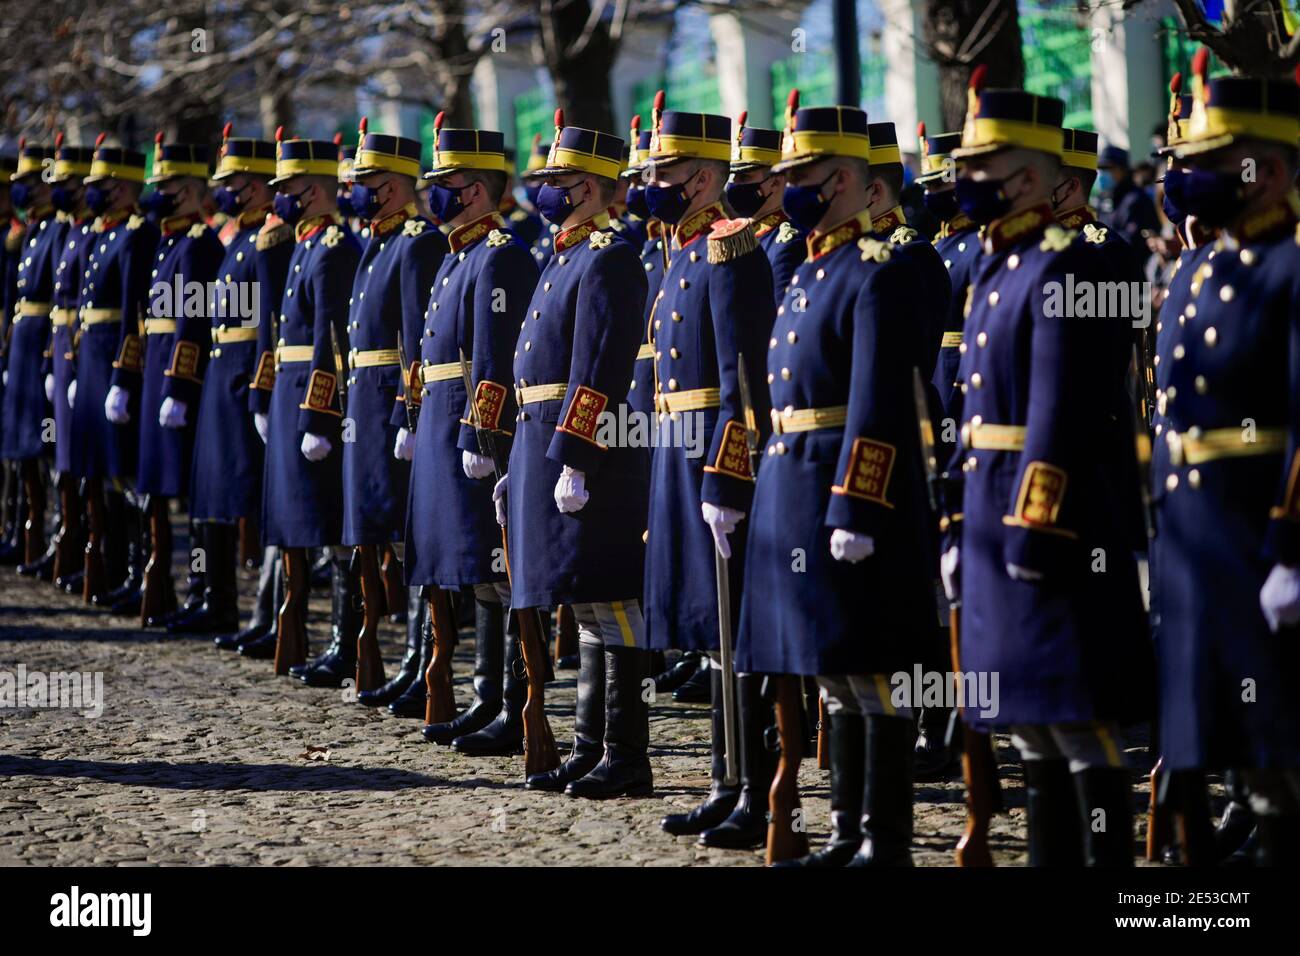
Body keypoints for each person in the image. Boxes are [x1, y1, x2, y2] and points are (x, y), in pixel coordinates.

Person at [942, 67, 1153, 866]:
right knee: (1024, 711)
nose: (966, 181)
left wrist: (1034, 521)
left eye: (981, 169)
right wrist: (961, 518)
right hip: (991, 508)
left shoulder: (1066, 264)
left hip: (1052, 520)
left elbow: (1060, 413)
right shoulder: (1000, 263)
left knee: (1076, 713)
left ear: (1028, 176)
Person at [734, 99, 935, 867]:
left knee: (875, 671)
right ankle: (847, 830)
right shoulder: (814, 264)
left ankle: (883, 839)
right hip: (795, 488)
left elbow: (881, 398)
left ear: (844, 179)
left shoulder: (876, 271)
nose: (787, 190)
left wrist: (857, 501)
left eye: (801, 177)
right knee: (834, 672)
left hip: (845, 495)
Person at [1154, 50, 1300, 866]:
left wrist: (1292, 546)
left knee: (1273, 743)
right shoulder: (1204, 269)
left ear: (1269, 170)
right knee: (1212, 726)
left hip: (1256, 533)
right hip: (1196, 536)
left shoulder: (1289, 269)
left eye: (1215, 164)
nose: (1193, 178)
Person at [497, 111, 652, 798]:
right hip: (544, 440)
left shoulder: (610, 257)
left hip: (588, 450)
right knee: (583, 605)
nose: (547, 189)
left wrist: (579, 457)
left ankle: (626, 754)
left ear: (590, 187)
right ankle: (591, 748)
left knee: (611, 602)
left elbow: (599, 368)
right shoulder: (562, 253)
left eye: (559, 180)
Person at [640, 92, 776, 848]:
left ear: (702, 177)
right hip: (672, 444)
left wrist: (728, 477)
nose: (655, 180)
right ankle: (725, 779)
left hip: (710, 451)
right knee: (706, 629)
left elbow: (744, 381)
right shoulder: (683, 249)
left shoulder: (732, 247)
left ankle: (754, 789)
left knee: (733, 629)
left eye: (668, 169)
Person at [402, 117, 538, 744]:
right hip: (439, 416)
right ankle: (486, 695)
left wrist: (482, 437)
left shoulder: (500, 256)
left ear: (478, 189)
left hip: (470, 427)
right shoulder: (458, 254)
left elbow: (493, 357)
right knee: (467, 564)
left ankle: (513, 700)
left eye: (448, 183)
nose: (436, 194)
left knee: (496, 564)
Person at [106, 137, 223, 627]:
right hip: (155, 368)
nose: (159, 192)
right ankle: (157, 583)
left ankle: (204, 590)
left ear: (193, 191)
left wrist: (177, 386)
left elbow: (191, 322)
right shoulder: (169, 242)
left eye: (169, 185)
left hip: (181, 380)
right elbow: (143, 316)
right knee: (153, 485)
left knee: (194, 495)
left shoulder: (198, 245)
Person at [258, 132, 361, 676]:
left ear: (315, 190)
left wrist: (319, 415)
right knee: (296, 521)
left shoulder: (334, 247)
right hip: (288, 391)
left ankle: (346, 645)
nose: (281, 195)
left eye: (290, 186)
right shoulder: (305, 242)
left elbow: (331, 341)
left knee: (328, 525)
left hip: (311, 399)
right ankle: (300, 633)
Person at [184, 128, 292, 638]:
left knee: (246, 495)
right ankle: (213, 597)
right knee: (213, 493)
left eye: (236, 181)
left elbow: (271, 321)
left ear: (257, 184)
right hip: (222, 368)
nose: (227, 190)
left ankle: (254, 610)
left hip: (246, 369)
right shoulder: (235, 237)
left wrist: (261, 387)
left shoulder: (270, 236)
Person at [72, 140, 158, 608]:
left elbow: (134, 314)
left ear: (124, 188)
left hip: (113, 362)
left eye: (104, 185)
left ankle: (135, 568)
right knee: (99, 473)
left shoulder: (136, 233)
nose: (97, 193)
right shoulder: (104, 233)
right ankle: (108, 562)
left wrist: (124, 378)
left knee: (124, 476)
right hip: (91, 361)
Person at [3, 140, 58, 576]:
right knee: (23, 445)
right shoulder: (33, 230)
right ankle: (24, 529)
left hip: (43, 341)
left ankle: (48, 532)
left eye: (29, 183)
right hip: (23, 342)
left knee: (47, 443)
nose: (22, 190)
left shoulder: (55, 229)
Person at [45, 137, 97, 592]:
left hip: (86, 353)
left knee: (92, 463)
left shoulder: (96, 233)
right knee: (62, 455)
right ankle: (67, 537)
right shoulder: (70, 230)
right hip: (64, 348)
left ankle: (94, 549)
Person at [726, 105, 807, 303]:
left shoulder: (789, 244)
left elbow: (783, 319)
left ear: (776, 182)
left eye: (744, 177)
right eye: (733, 176)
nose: (734, 185)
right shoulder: (739, 239)